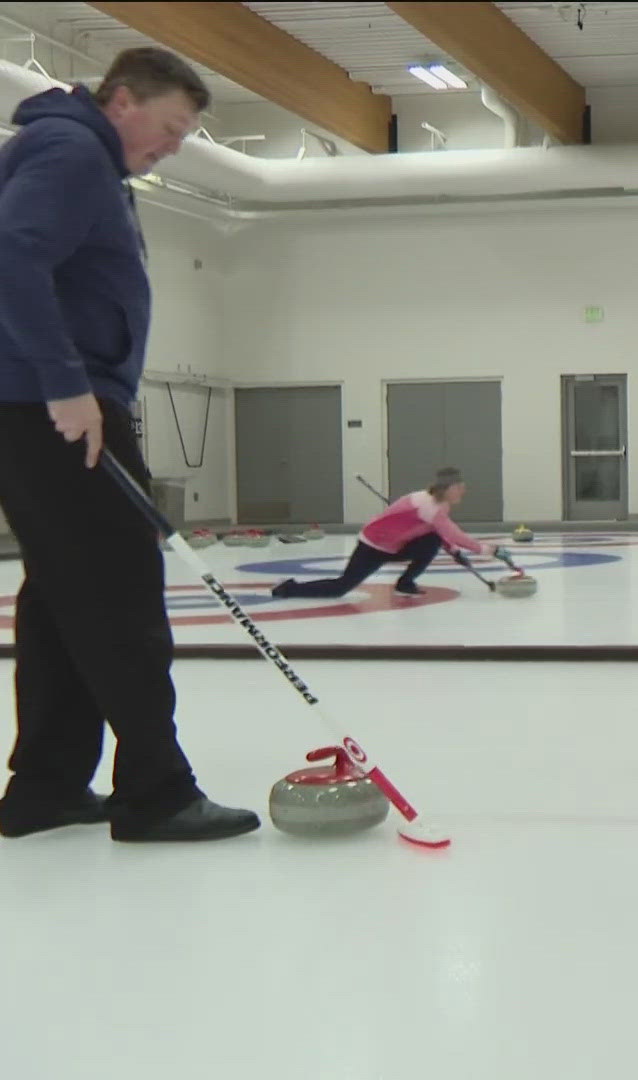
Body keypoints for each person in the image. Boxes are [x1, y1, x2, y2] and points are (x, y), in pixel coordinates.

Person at [0, 48, 260, 842]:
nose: (175, 145)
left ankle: (46, 783)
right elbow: (10, 256)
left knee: (62, 597)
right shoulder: (74, 150)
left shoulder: (71, 152)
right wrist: (66, 382)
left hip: (39, 401)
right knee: (120, 596)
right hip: (57, 405)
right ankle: (156, 791)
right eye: (173, 127)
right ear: (121, 101)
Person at [272, 468, 499, 599]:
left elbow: (440, 533)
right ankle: (288, 588)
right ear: (448, 488)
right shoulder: (428, 506)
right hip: (373, 547)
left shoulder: (435, 504)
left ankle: (405, 583)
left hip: (396, 544)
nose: (464, 491)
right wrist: (488, 550)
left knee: (433, 540)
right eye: (460, 487)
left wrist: (454, 549)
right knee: (341, 587)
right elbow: (454, 533)